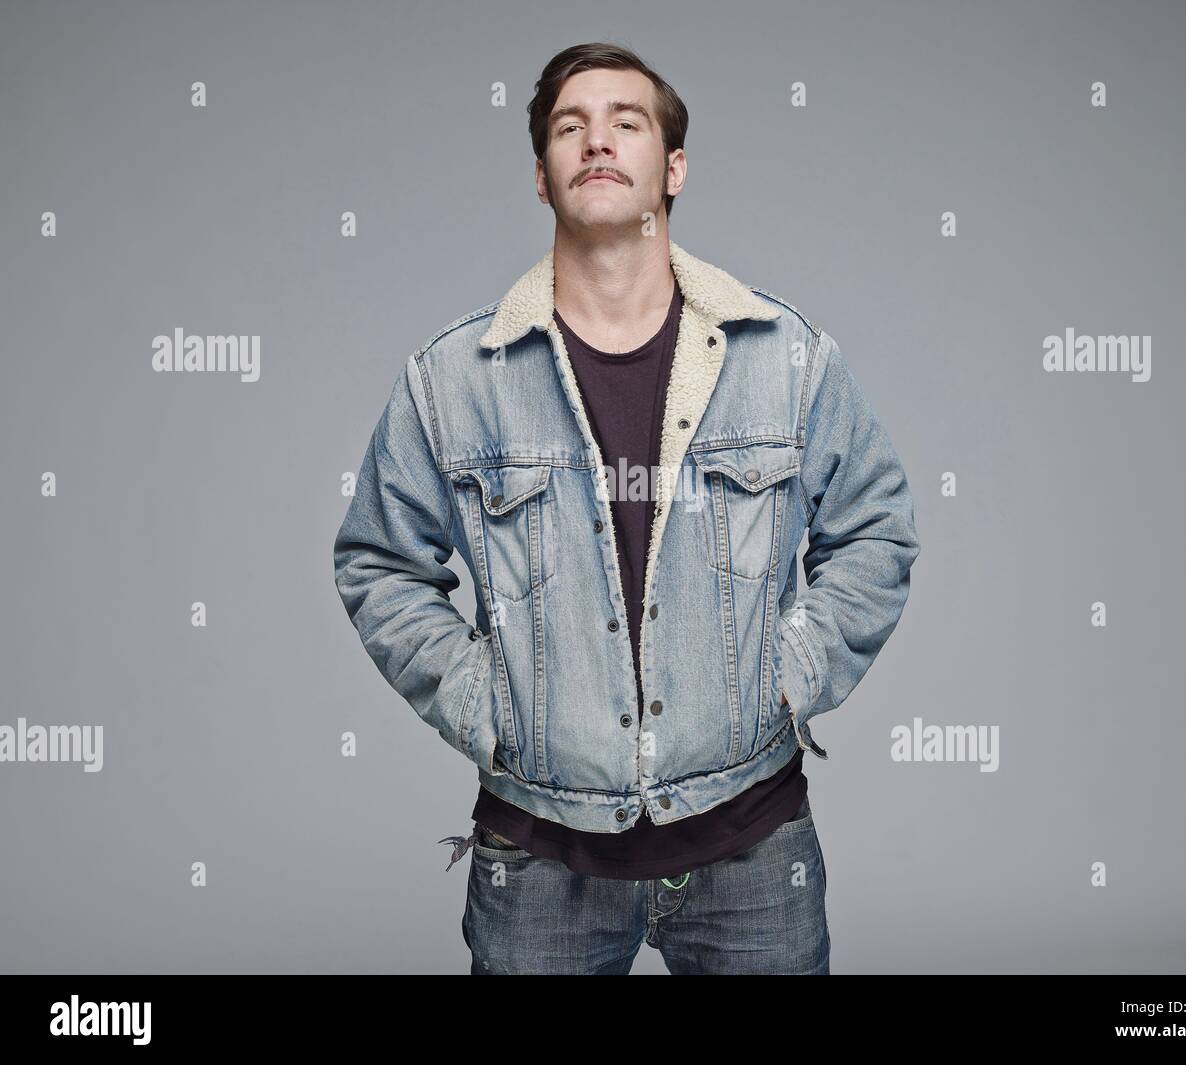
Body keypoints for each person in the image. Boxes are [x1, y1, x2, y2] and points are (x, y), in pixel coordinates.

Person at [333, 42, 921, 974]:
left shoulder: (782, 356)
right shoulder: (453, 380)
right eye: (571, 126)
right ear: (541, 175)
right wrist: (491, 707)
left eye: (626, 122)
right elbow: (377, 561)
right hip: (537, 857)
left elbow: (877, 525)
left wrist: (789, 672)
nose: (596, 140)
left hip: (753, 846)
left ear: (673, 168)